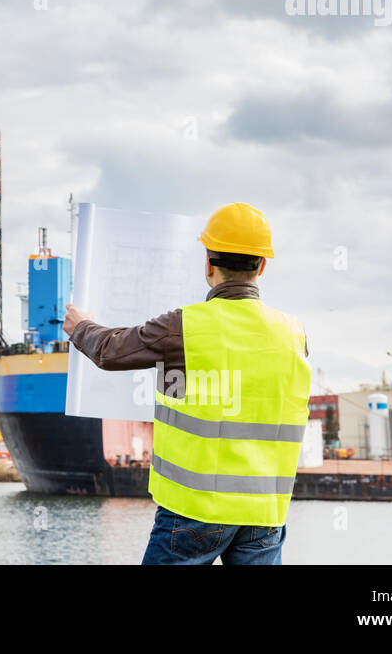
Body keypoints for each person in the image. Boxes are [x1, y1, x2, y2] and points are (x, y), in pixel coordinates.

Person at [62, 202, 310, 565]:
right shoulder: (295, 334)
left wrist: (80, 327)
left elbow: (112, 351)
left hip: (195, 511)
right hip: (264, 515)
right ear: (262, 265)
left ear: (208, 263)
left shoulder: (184, 326)